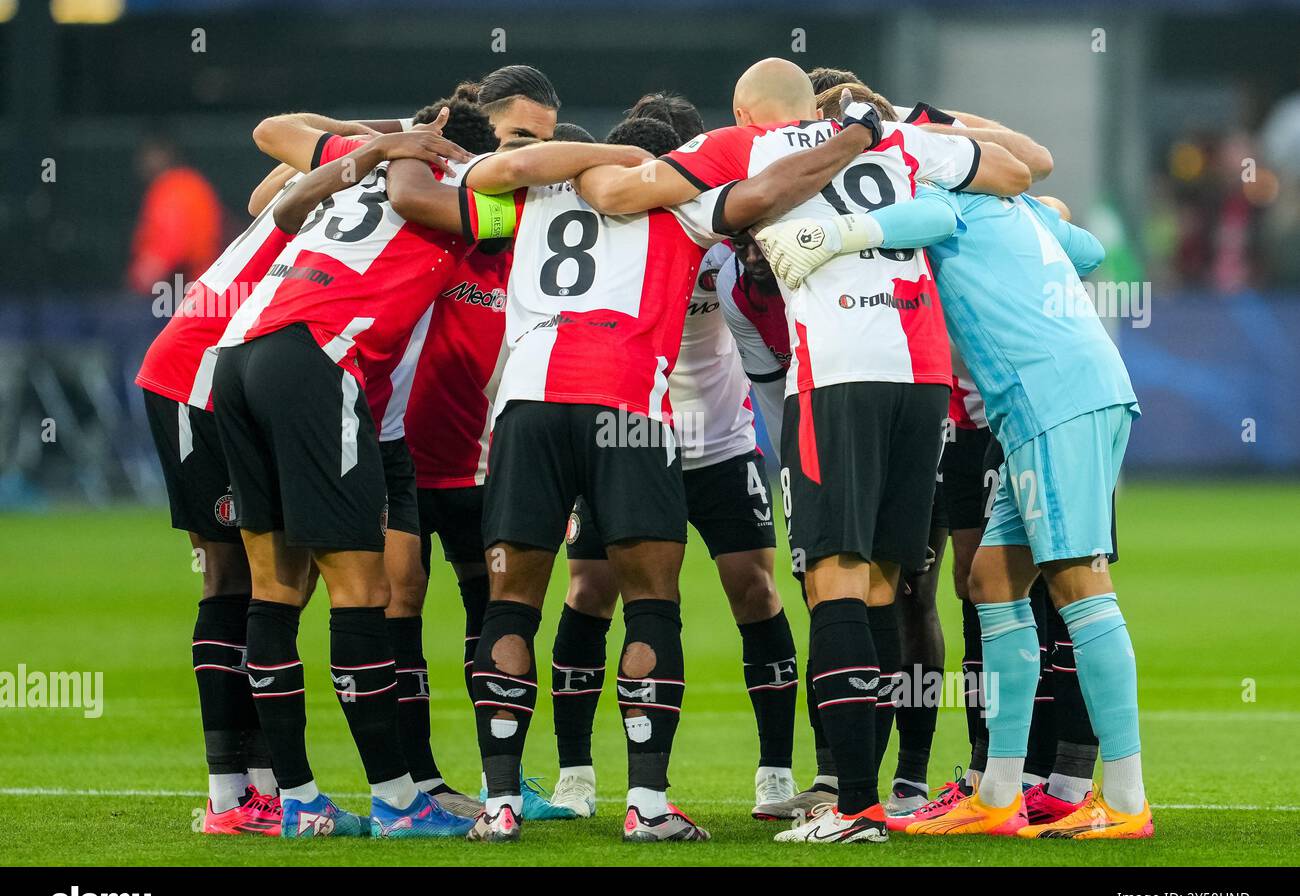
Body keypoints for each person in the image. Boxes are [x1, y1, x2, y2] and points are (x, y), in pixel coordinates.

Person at [448, 106, 889, 843]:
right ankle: (647, 805)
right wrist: (850, 138)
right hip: (626, 407)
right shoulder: (686, 206)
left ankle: (498, 804)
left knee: (510, 602)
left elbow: (483, 177)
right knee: (650, 600)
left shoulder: (533, 196)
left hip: (526, 403)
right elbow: (764, 194)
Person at [759, 184, 1151, 839]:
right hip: (1052, 400)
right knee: (992, 581)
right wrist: (1037, 211)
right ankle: (997, 794)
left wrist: (832, 234)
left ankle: (1128, 802)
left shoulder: (944, 197)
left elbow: (938, 213)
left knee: (1079, 579)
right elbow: (1086, 249)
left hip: (1053, 397)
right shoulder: (1014, 208)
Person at [210, 110, 526, 839]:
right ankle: (398, 801)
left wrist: (384, 137)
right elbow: (483, 201)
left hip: (245, 356)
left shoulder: (361, 168)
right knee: (364, 591)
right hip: (322, 362)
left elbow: (274, 177)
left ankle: (299, 801)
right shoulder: (454, 191)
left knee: (275, 589)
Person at [546, 98, 799, 822]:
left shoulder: (718, 230)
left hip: (721, 444)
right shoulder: (602, 238)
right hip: (625, 443)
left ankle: (776, 774)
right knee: (590, 592)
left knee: (754, 590)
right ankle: (575, 773)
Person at [127, 135, 223, 294]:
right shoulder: (193, 182)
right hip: (208, 281)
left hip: (185, 287)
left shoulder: (172, 186)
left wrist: (144, 278)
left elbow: (172, 242)